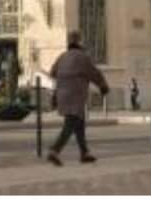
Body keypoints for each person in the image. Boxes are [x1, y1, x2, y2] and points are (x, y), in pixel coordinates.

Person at [45, 31, 108, 167]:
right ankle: (54, 150)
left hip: (62, 93)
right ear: (80, 42)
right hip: (76, 94)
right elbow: (94, 73)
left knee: (79, 122)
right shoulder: (83, 57)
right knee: (71, 122)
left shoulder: (62, 56)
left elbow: (52, 72)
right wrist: (103, 86)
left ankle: (84, 153)